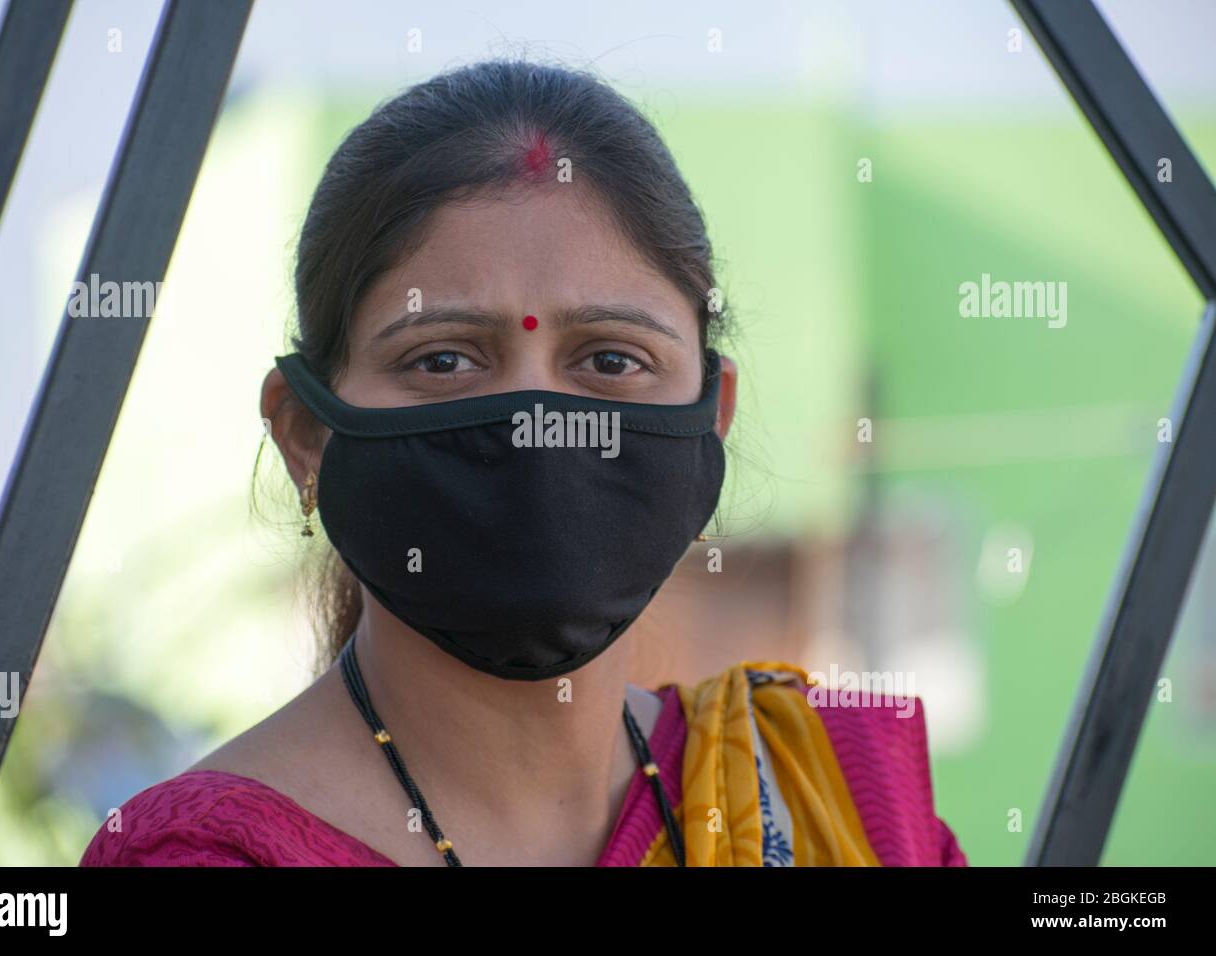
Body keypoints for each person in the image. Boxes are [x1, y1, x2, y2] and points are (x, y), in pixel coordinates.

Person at [80, 57, 966, 868]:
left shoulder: (836, 792)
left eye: (611, 359)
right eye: (443, 360)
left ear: (713, 418)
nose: (541, 427)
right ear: (305, 433)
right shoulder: (210, 857)